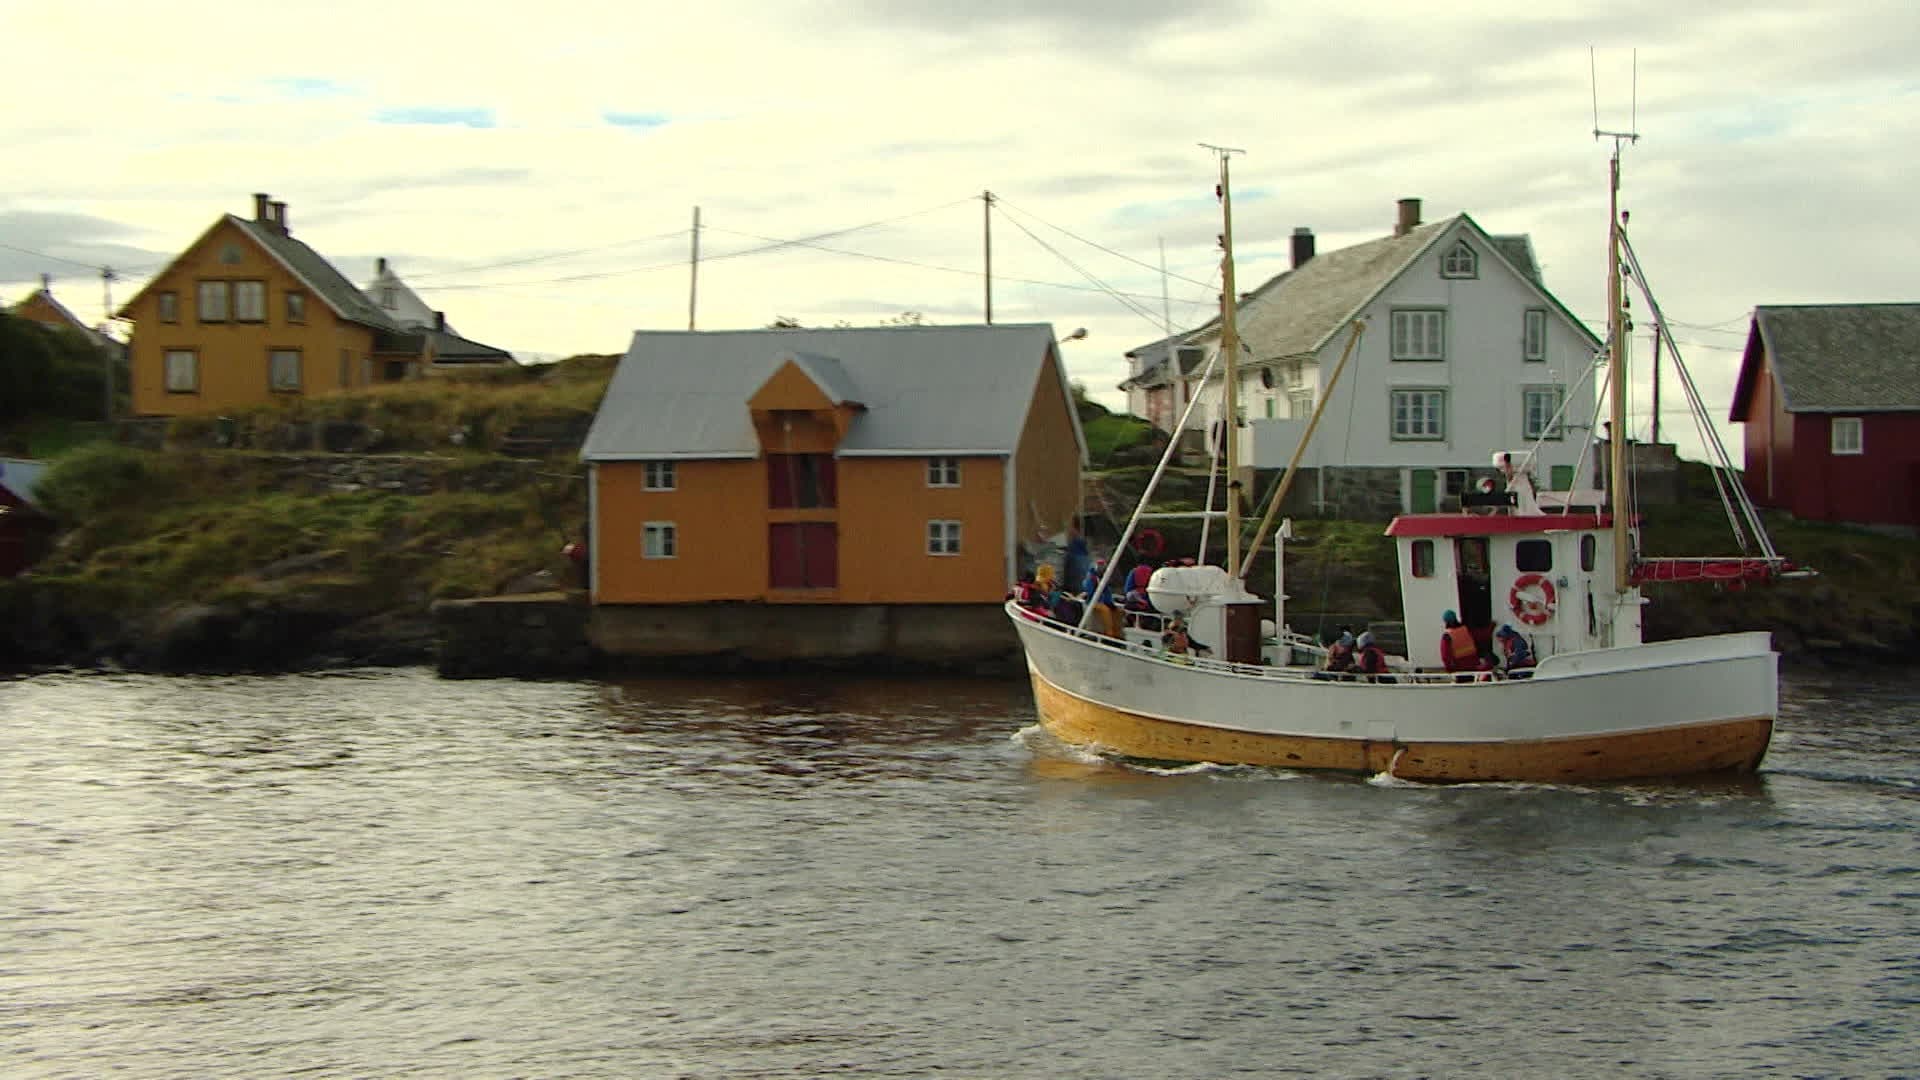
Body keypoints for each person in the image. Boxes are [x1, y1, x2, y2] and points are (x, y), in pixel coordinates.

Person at [1440, 609, 1487, 674]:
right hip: (1474, 666)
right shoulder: (1467, 630)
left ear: (1445, 622)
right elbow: (1480, 637)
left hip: (1459, 669)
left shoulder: (1447, 636)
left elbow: (1445, 656)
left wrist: (1449, 669)